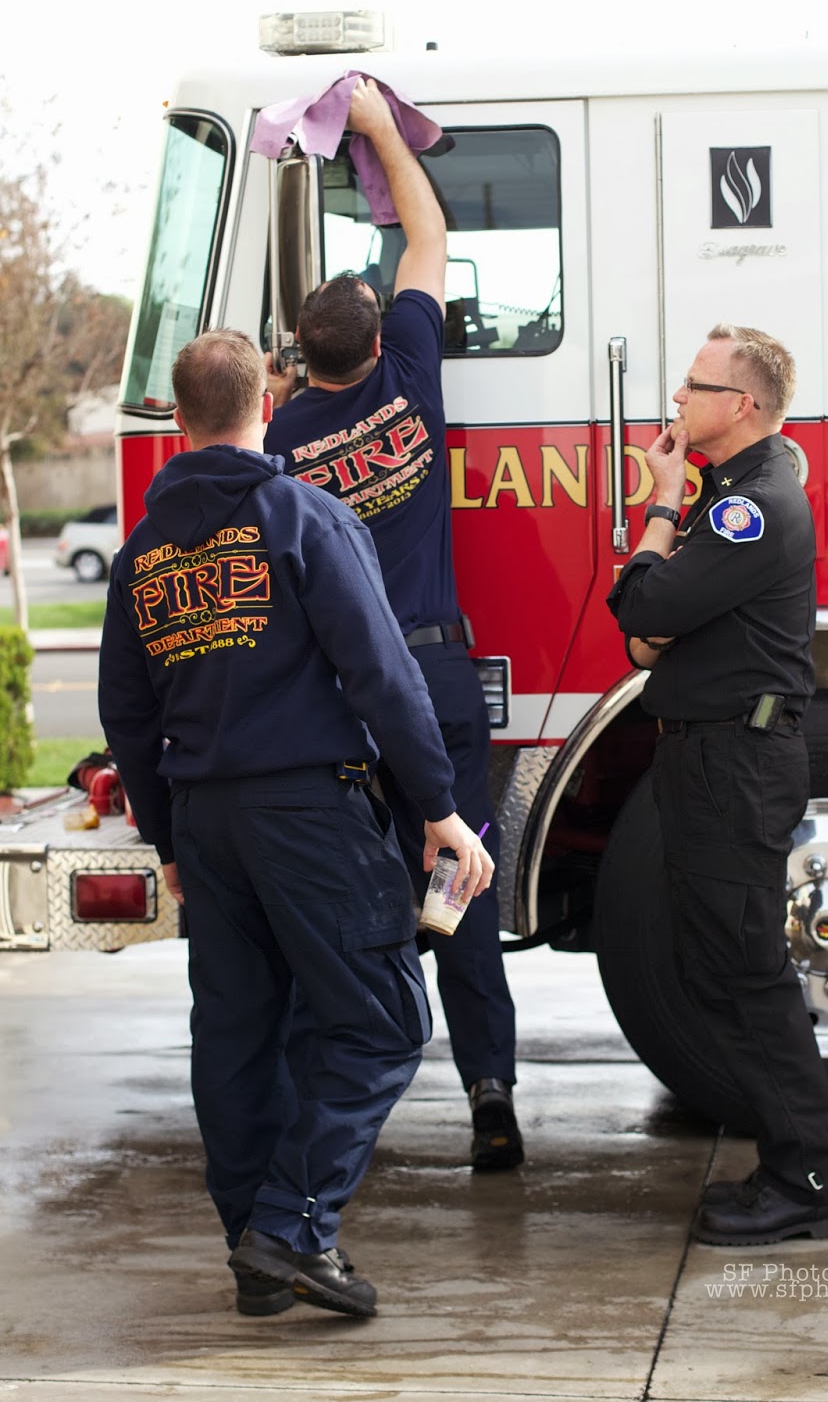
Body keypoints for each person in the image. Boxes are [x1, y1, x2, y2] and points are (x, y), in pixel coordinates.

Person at [99, 330, 494, 1318]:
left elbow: (128, 716)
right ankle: (294, 1221)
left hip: (207, 820)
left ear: (178, 424)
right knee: (385, 1017)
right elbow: (381, 672)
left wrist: (168, 840)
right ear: (264, 404)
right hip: (307, 813)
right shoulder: (302, 517)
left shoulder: (140, 555)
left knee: (237, 1035)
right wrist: (439, 807)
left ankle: (255, 1246)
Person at [264, 75, 522, 1170]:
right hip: (440, 684)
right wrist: (373, 122)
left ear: (300, 360)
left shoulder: (280, 448)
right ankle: (491, 1100)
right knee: (455, 892)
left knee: (354, 919)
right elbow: (426, 228)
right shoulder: (413, 381)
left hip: (344, 713)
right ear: (380, 345)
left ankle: (339, 1130)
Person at [606, 323, 828, 1247]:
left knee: (750, 978)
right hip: (715, 761)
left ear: (739, 406)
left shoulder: (751, 508)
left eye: (692, 386)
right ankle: (792, 1171)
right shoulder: (742, 498)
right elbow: (644, 640)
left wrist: (663, 506)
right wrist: (658, 602)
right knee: (728, 972)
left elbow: (644, 608)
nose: (676, 401)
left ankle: (812, 1184)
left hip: (732, 765)